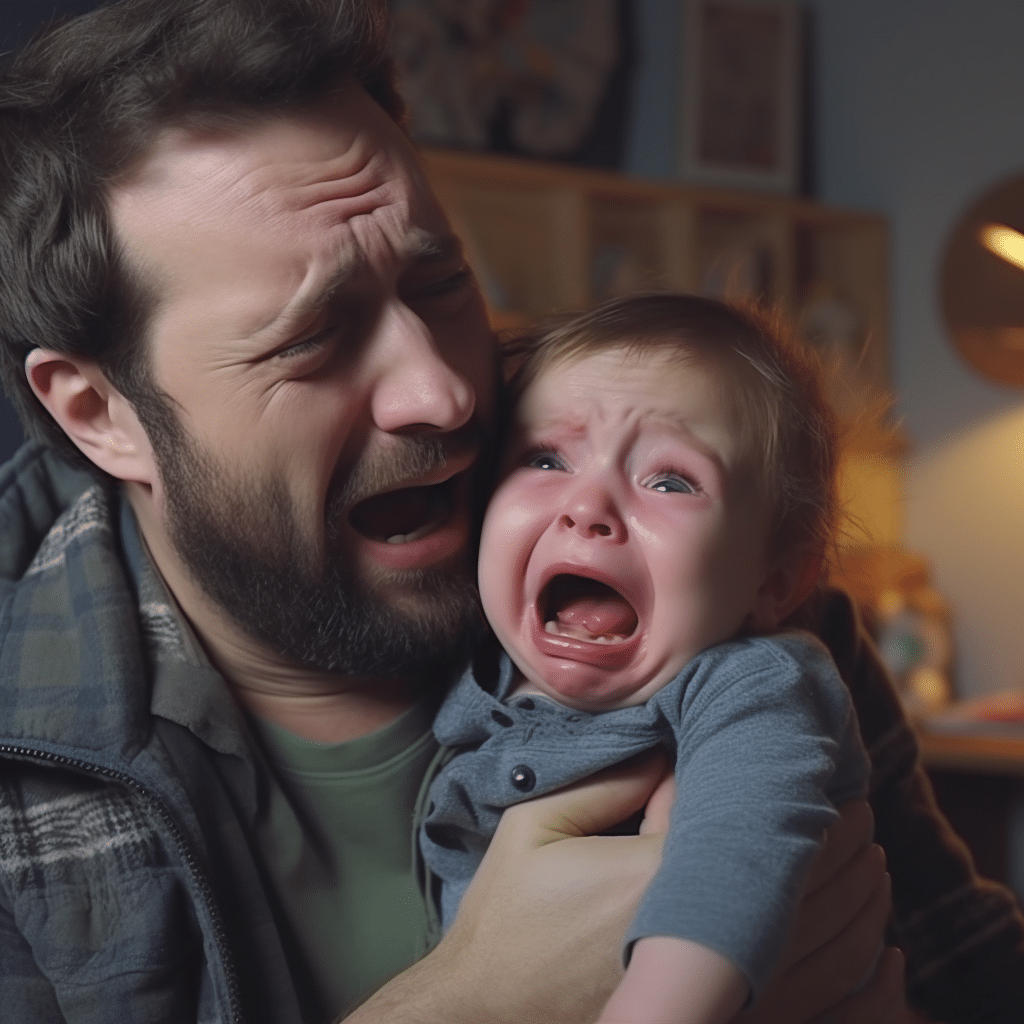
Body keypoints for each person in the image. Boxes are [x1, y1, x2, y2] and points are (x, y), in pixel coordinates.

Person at [0, 0, 1015, 1022]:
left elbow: (976, 979)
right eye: (313, 337)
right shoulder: (20, 756)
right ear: (101, 414)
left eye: (438, 282)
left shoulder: (729, 607)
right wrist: (468, 1000)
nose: (437, 391)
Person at [421, 294, 873, 1024]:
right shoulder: (473, 669)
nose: (588, 504)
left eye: (670, 480)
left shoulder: (753, 686)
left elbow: (732, 856)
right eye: (546, 458)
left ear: (775, 581)